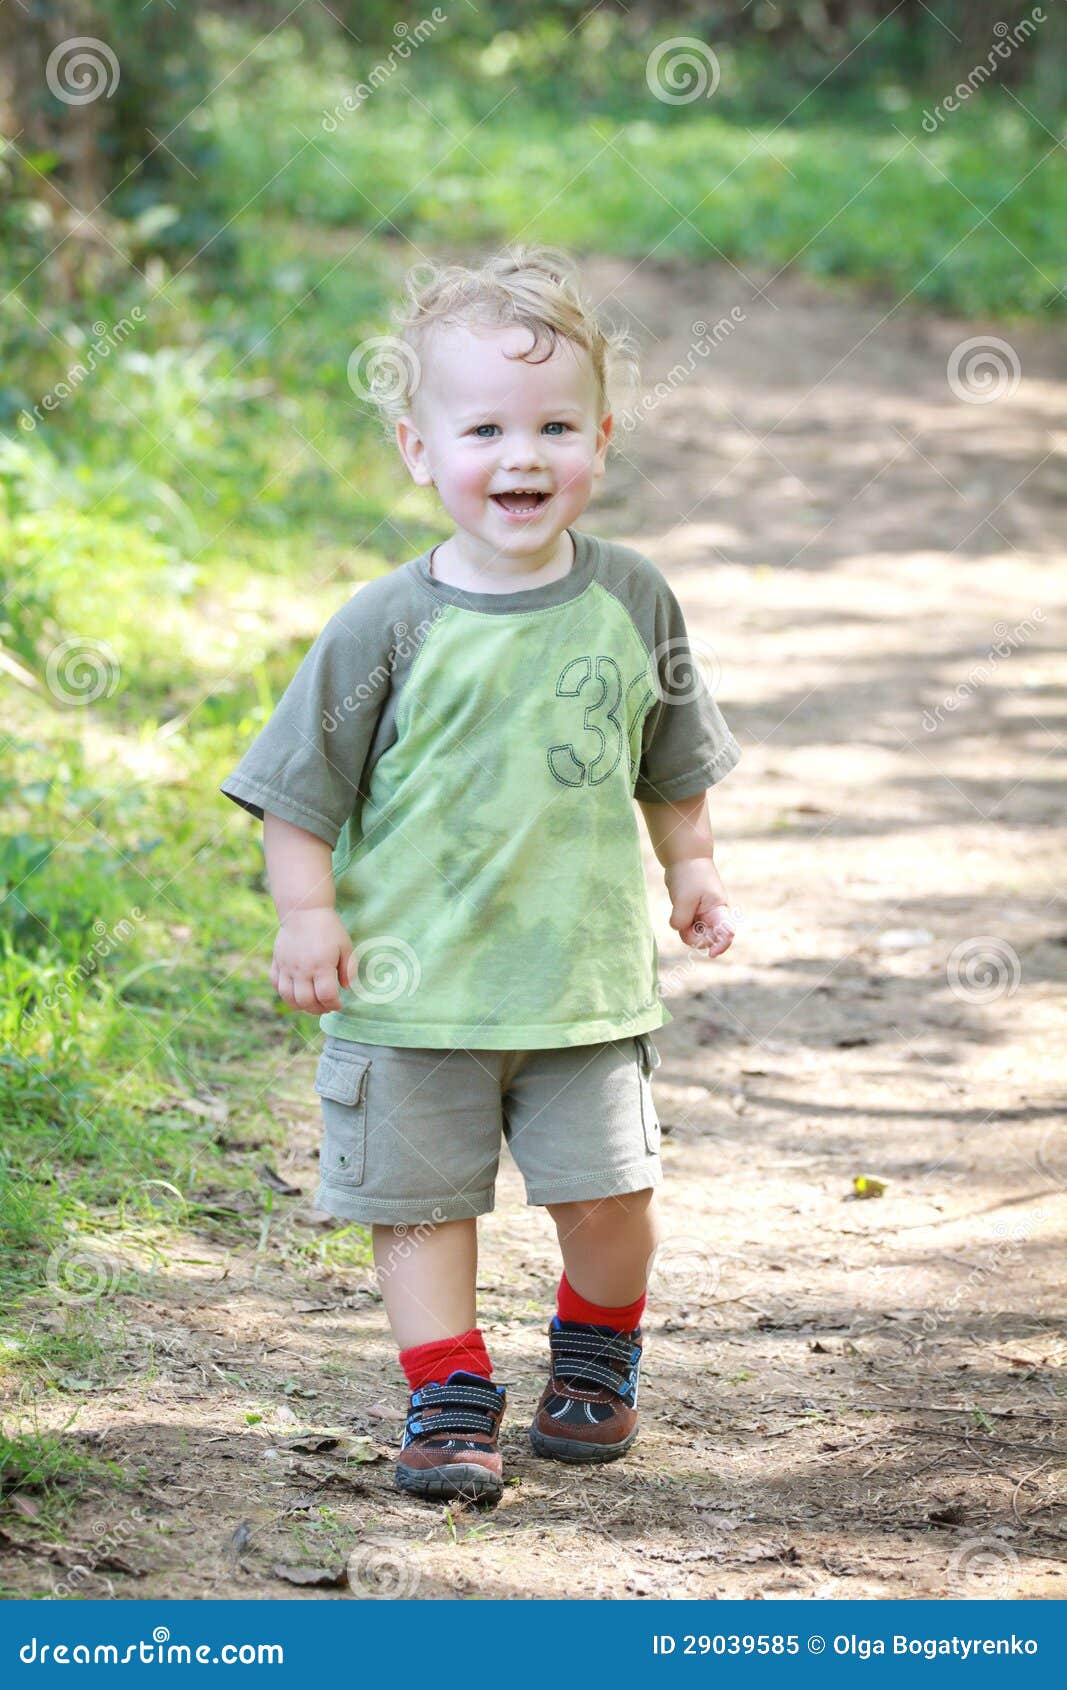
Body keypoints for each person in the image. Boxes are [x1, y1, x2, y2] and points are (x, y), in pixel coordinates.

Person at [220, 244, 741, 1508]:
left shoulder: (631, 597)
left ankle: (595, 1350)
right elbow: (299, 788)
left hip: (579, 989)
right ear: (418, 448)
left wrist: (690, 863)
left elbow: (670, 758)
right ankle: (447, 1391)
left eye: (555, 426)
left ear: (599, 439)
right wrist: (307, 914)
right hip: (411, 995)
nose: (523, 456)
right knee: (415, 1204)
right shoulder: (384, 622)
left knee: (611, 1196)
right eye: (485, 429)